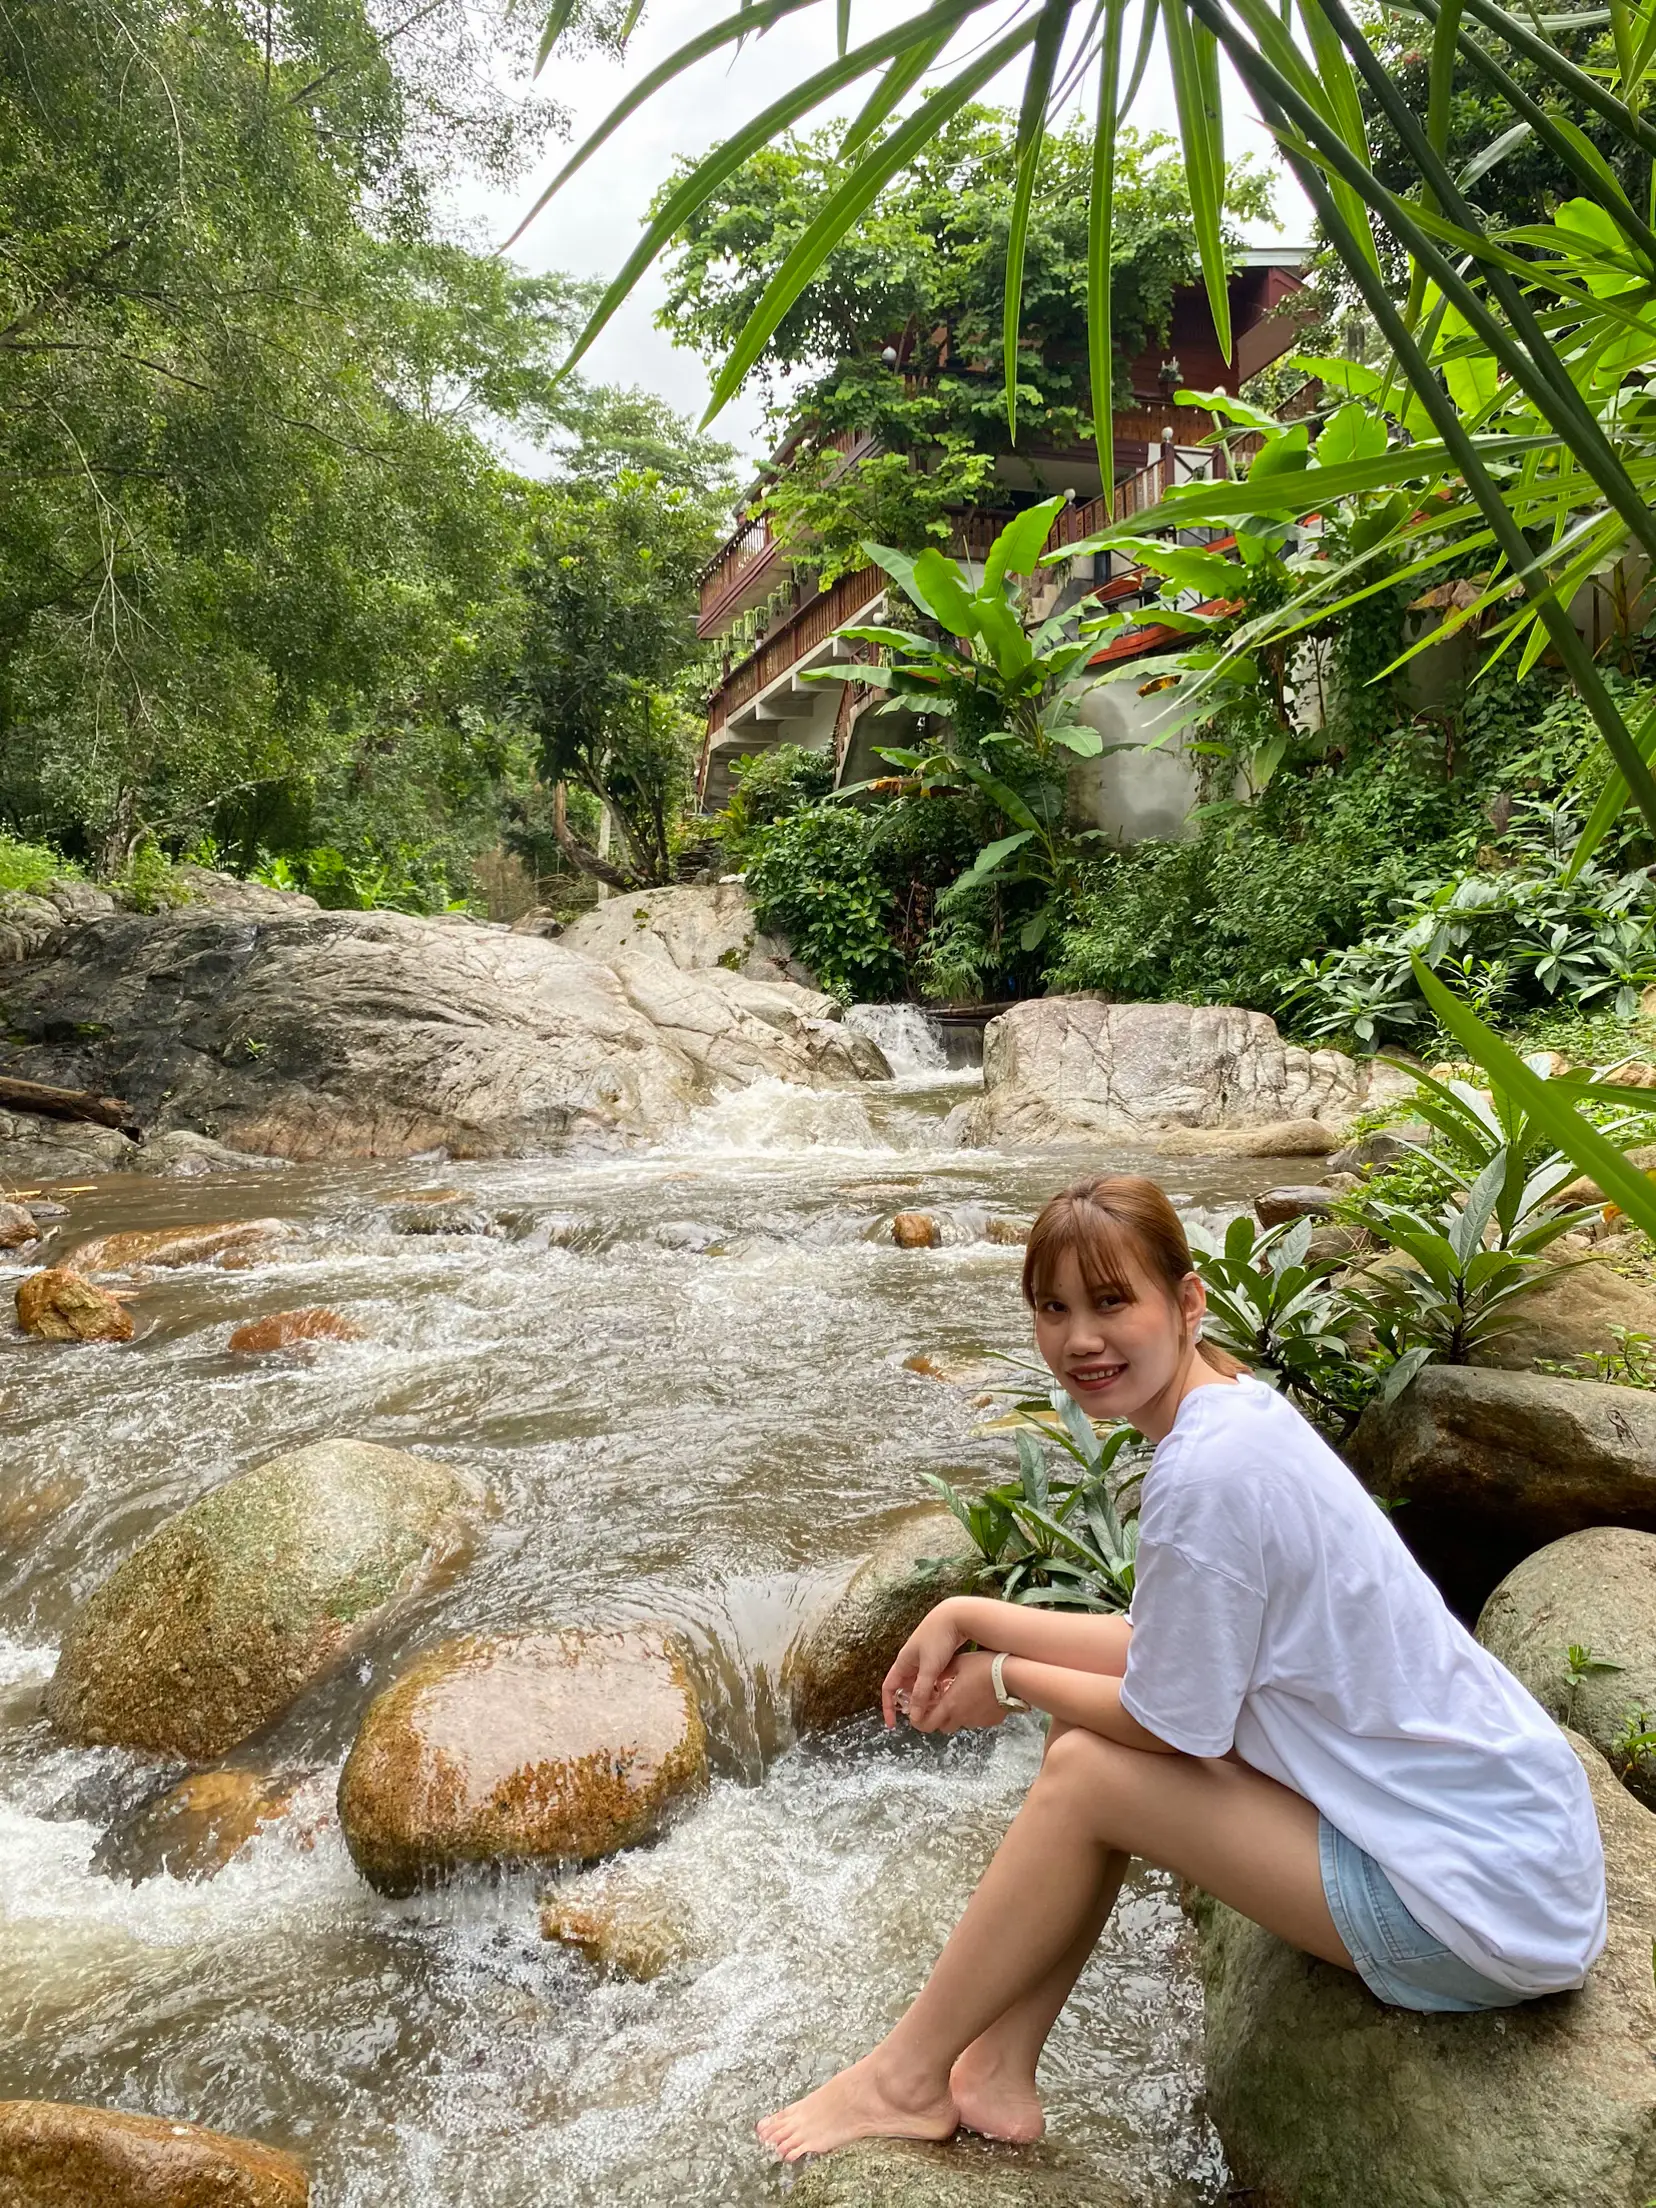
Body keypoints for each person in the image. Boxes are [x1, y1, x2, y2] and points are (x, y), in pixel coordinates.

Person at [758, 1172, 1607, 2163]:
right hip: (1512, 1849)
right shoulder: (1236, 1413)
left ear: (1188, 1301)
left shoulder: (1208, 1472)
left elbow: (1173, 1722)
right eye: (1054, 1309)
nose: (1082, 1339)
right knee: (1086, 1745)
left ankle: (905, 2079)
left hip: (1477, 1905)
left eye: (1113, 1302)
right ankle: (993, 2070)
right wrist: (972, 1613)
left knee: (1086, 1773)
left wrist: (1005, 1681)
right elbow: (1176, 1651)